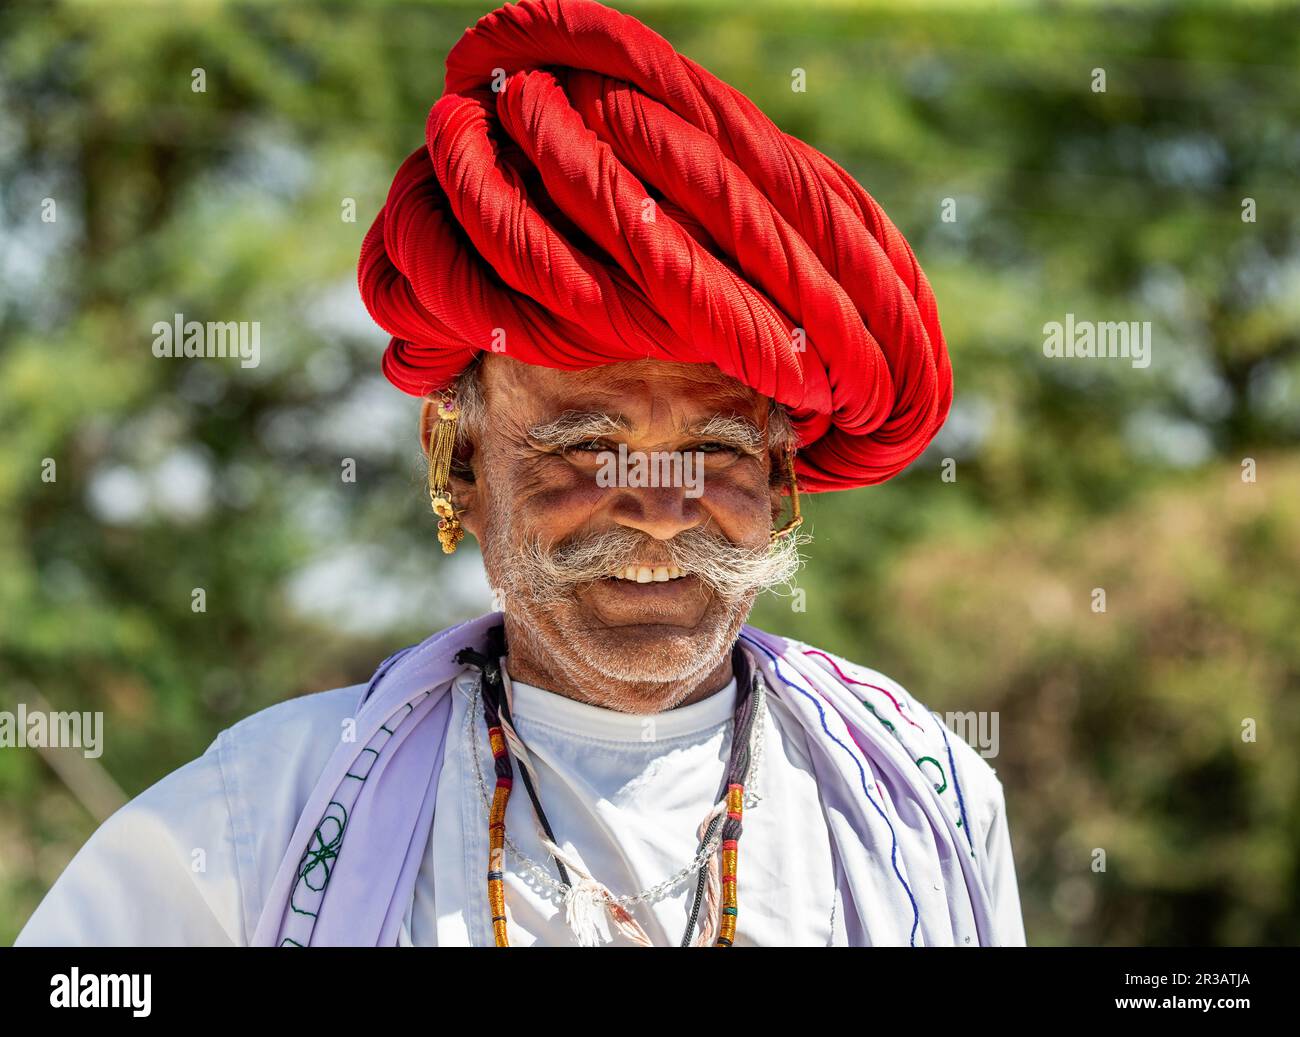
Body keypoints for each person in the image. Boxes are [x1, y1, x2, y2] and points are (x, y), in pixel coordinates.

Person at [16, 0, 1024, 947]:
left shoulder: (923, 797)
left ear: (778, 478)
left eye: (715, 451)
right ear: (457, 461)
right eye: (587, 446)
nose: (663, 512)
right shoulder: (257, 819)